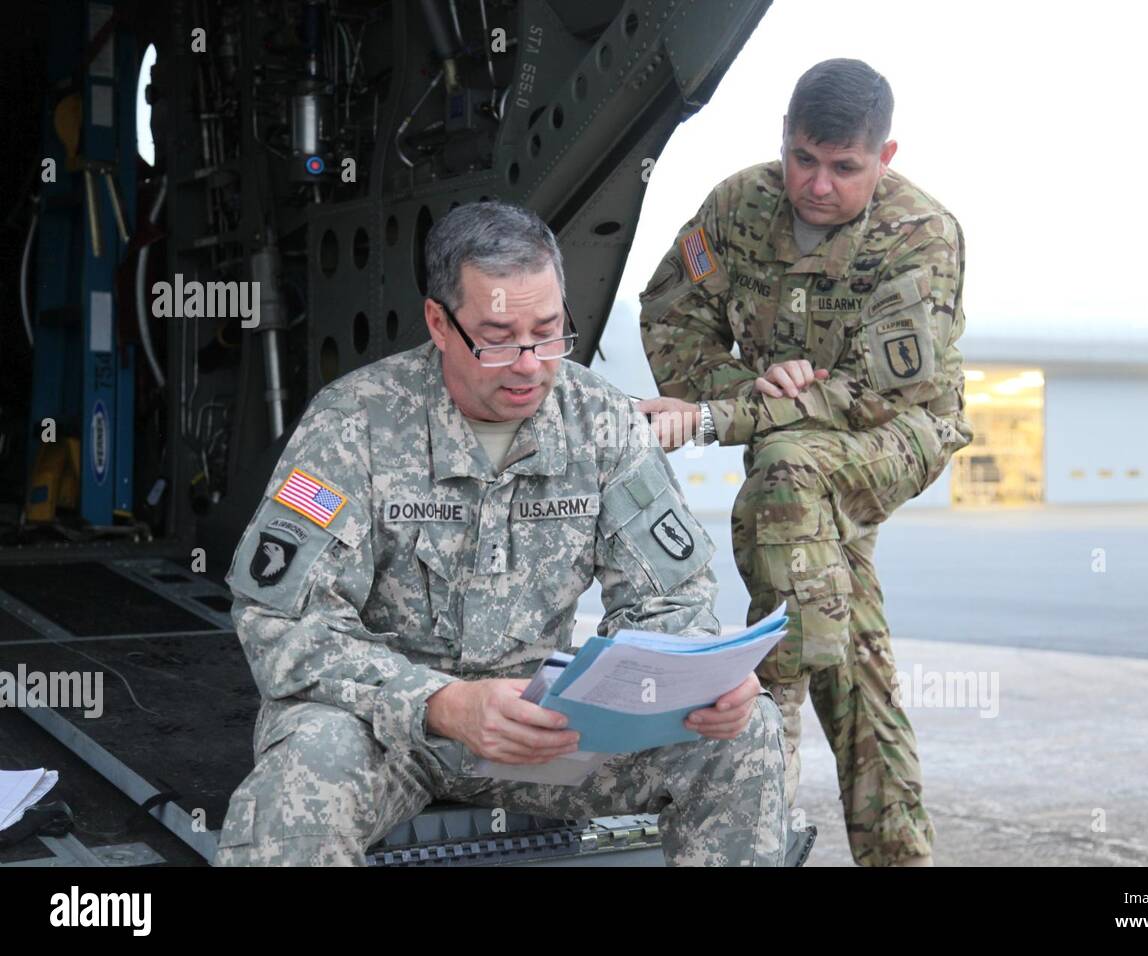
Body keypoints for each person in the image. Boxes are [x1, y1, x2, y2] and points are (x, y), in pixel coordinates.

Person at [214, 201, 786, 867]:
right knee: (308, 768)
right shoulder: (354, 423)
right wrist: (439, 703)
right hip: (388, 729)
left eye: (548, 333)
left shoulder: (601, 421)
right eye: (498, 338)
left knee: (747, 732)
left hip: (538, 729)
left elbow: (671, 597)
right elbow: (281, 623)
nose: (529, 365)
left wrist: (698, 680)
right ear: (439, 323)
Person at [637, 58, 973, 867]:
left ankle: (770, 714)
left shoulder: (918, 235)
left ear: (883, 158)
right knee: (848, 630)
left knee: (786, 470)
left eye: (844, 167)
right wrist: (745, 383)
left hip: (902, 430)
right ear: (784, 141)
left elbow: (869, 395)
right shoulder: (737, 206)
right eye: (802, 158)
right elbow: (671, 314)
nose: (817, 185)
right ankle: (900, 855)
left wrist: (727, 415)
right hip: (793, 430)